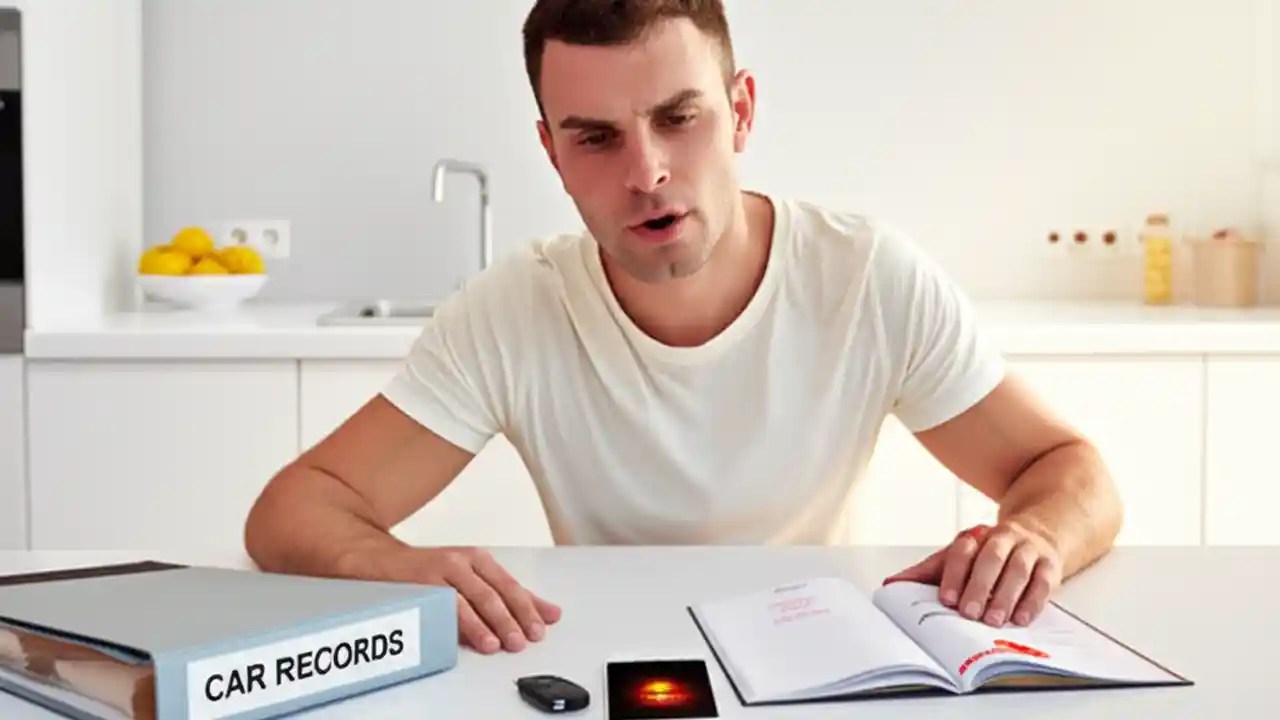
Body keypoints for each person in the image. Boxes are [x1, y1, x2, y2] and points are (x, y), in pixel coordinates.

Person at [244, 0, 1124, 656]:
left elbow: (1070, 472)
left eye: (679, 118)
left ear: (740, 110)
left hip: (832, 662)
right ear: (552, 152)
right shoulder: (514, 309)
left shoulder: (866, 277)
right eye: (597, 139)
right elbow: (292, 509)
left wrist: (1035, 536)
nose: (647, 172)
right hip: (614, 666)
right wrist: (392, 566)